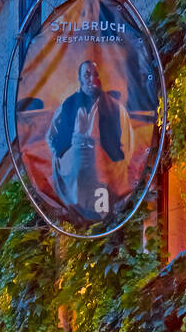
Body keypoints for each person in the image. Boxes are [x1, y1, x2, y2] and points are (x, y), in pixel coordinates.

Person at [47, 59, 136, 220]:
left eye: (95, 74)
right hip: (74, 157)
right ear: (80, 79)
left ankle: (99, 217)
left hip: (102, 156)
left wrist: (119, 162)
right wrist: (60, 155)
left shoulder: (115, 108)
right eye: (87, 75)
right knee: (77, 195)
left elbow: (128, 140)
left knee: (100, 189)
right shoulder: (68, 105)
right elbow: (52, 135)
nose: (91, 78)